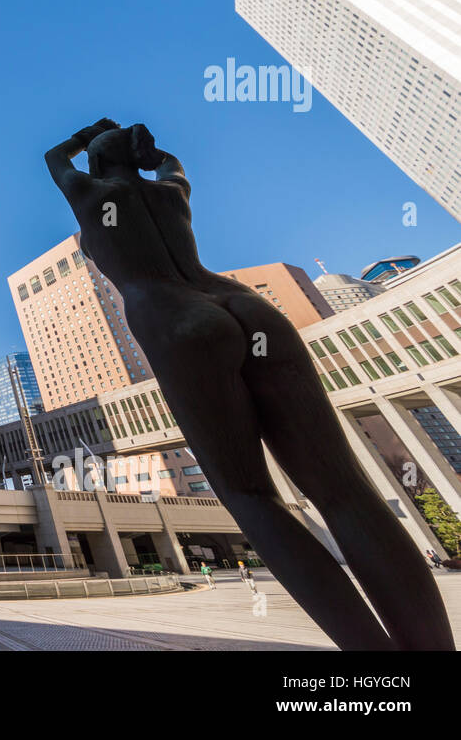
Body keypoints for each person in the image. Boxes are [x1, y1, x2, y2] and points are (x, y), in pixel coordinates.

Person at [47, 119, 454, 651]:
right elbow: (166, 163)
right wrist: (142, 149)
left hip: (174, 318)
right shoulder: (171, 188)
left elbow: (56, 158)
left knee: (251, 495)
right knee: (344, 489)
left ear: (96, 162)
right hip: (246, 305)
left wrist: (88, 134)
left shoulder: (87, 190)